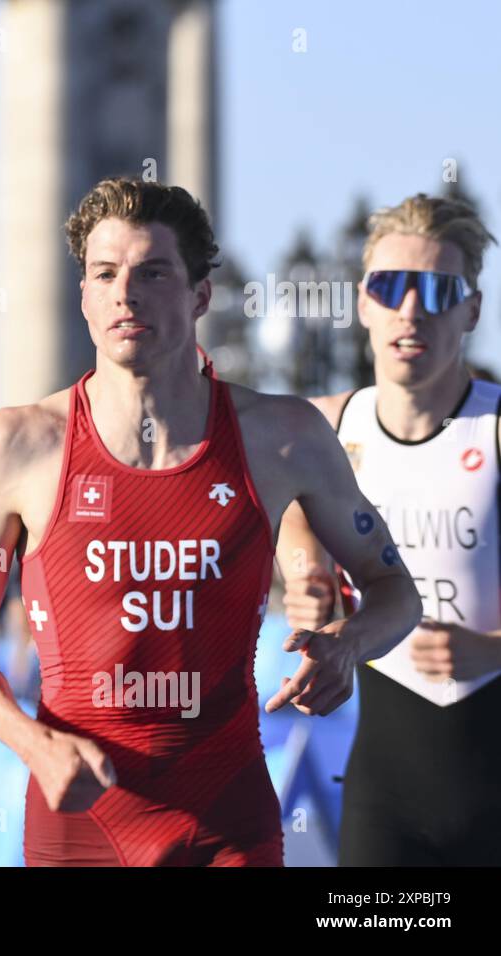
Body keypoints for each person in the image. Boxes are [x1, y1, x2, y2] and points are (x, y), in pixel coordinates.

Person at [0, 177, 422, 866]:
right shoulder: (19, 443)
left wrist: (348, 645)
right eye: (104, 274)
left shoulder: (281, 436)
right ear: (83, 296)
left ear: (200, 295)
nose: (125, 294)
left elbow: (395, 590)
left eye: (153, 272)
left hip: (227, 818)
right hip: (82, 822)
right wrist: (33, 743)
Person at [276, 192, 501, 865]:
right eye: (390, 286)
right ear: (363, 303)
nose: (410, 310)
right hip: (385, 797)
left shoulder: (492, 429)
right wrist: (305, 573)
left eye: (437, 290)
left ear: (472, 310)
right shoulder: (322, 427)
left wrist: (494, 651)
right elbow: (291, 517)